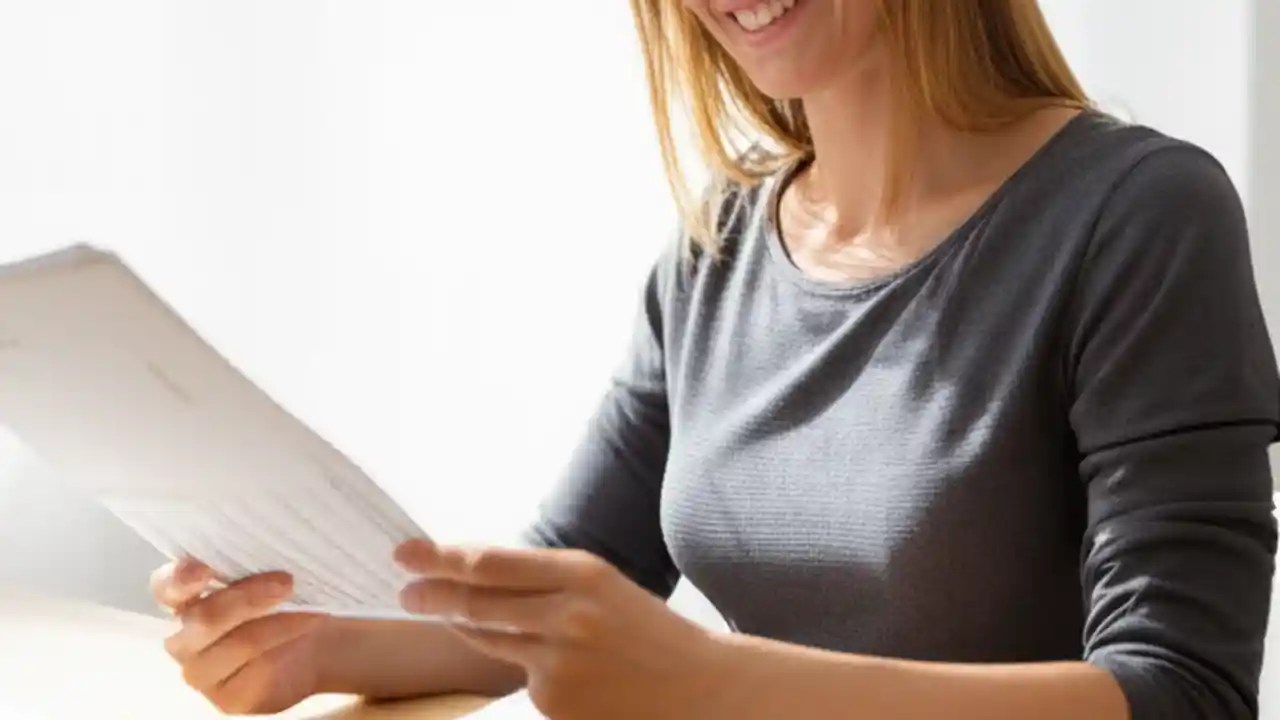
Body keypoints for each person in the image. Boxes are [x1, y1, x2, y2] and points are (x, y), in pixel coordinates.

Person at [150, 1, 1279, 718]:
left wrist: (708, 686)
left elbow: (1179, 692)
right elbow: (562, 587)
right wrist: (306, 649)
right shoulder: (720, 246)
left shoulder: (1136, 215)